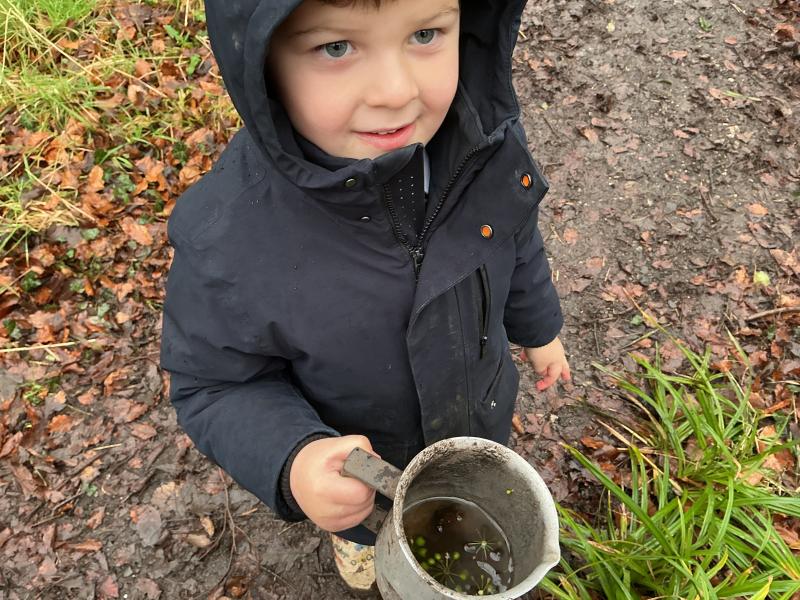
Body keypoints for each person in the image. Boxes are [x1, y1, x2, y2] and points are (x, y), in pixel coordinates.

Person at [160, 0, 570, 593]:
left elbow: (515, 237)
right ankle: (359, 547)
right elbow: (215, 385)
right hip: (362, 461)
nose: (395, 91)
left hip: (477, 414)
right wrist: (295, 459)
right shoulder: (229, 240)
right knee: (365, 525)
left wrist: (539, 328)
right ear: (262, 62)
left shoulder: (482, 146)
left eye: (426, 33)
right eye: (336, 48)